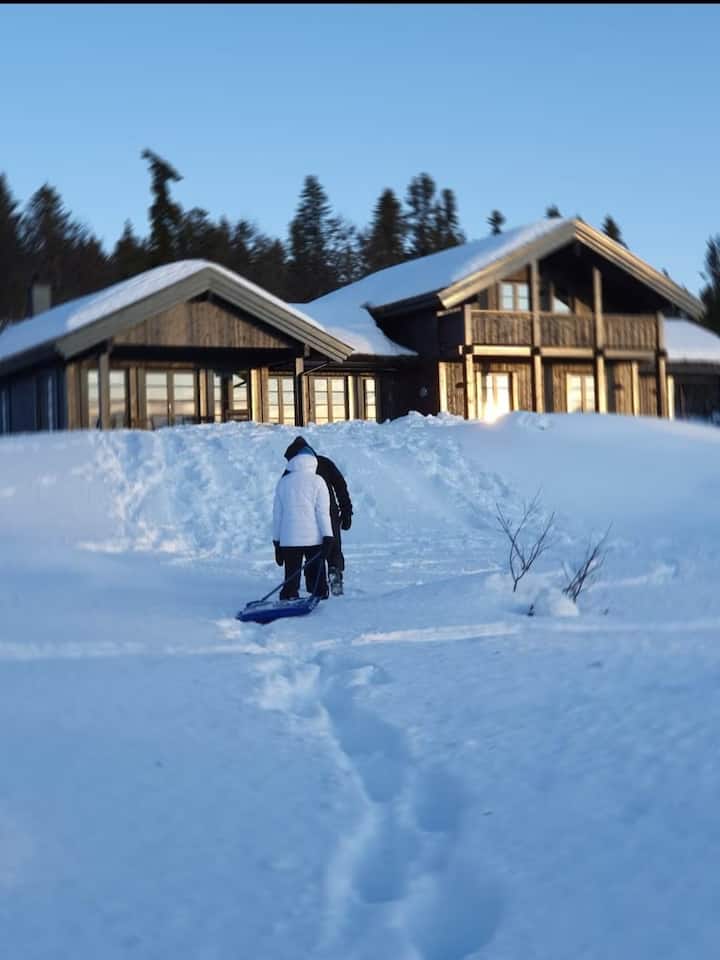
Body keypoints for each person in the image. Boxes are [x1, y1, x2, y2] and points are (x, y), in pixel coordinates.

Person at [283, 436, 353, 596]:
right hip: (330, 511)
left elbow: (285, 495)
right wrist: (346, 510)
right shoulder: (324, 462)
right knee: (333, 545)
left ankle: (314, 584)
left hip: (306, 516)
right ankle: (335, 570)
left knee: (313, 551)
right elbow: (340, 485)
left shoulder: (291, 469)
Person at [272, 447, 334, 601]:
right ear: (313, 462)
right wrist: (328, 536)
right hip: (313, 539)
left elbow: (277, 515)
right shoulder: (318, 481)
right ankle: (319, 594)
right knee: (315, 572)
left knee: (291, 574)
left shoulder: (284, 482)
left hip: (289, 538)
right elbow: (323, 512)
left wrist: (277, 541)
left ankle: (289, 594)